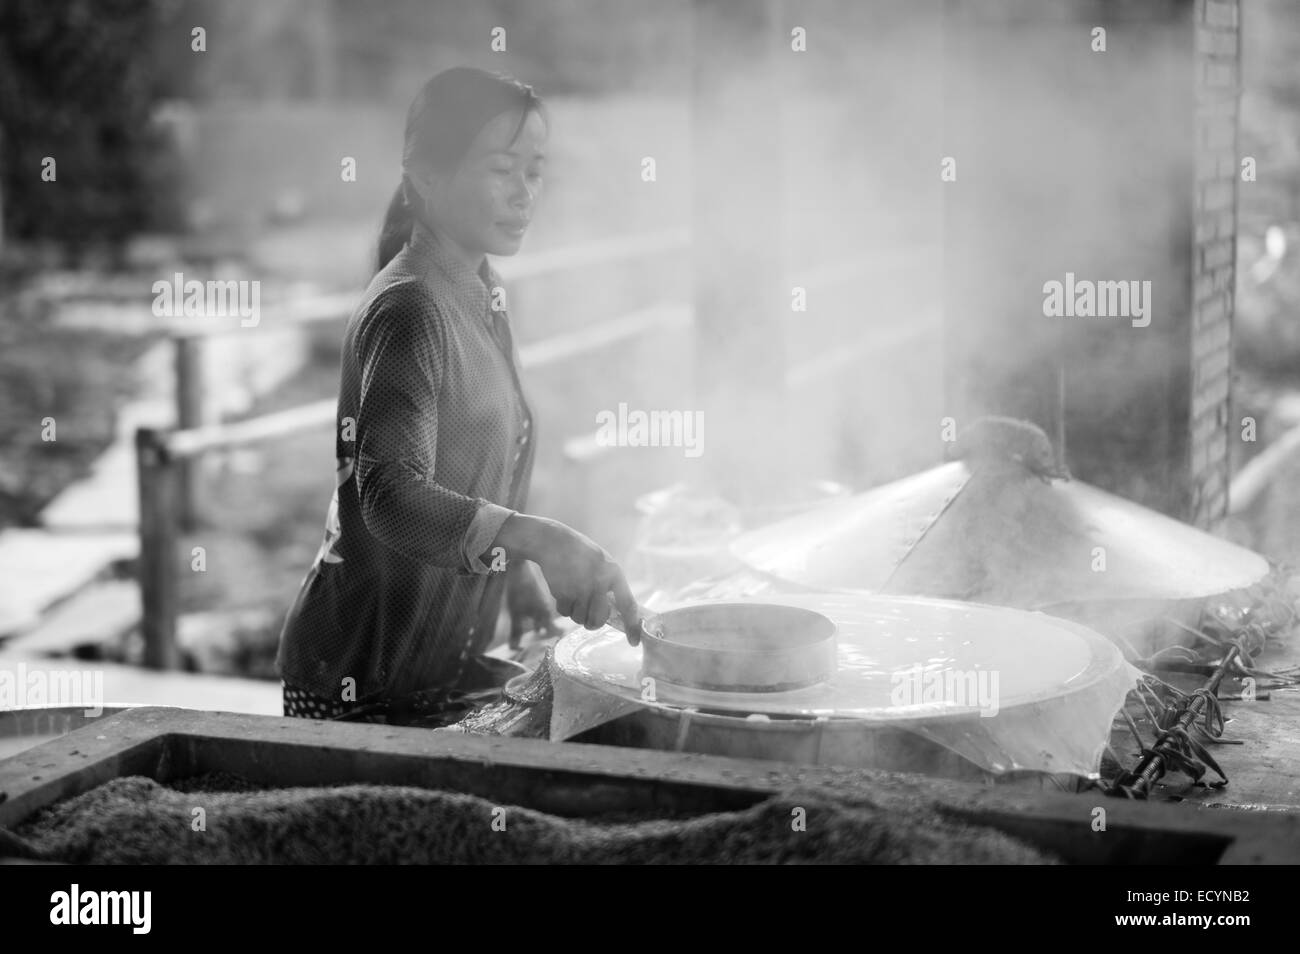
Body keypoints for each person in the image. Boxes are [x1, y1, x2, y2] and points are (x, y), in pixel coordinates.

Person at [277, 67, 640, 721]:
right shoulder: (412, 308)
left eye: (534, 171)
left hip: (436, 669)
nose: (525, 194)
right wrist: (546, 542)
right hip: (360, 683)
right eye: (503, 169)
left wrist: (514, 576)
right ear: (426, 175)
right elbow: (389, 493)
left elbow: (473, 467)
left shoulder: (480, 293)